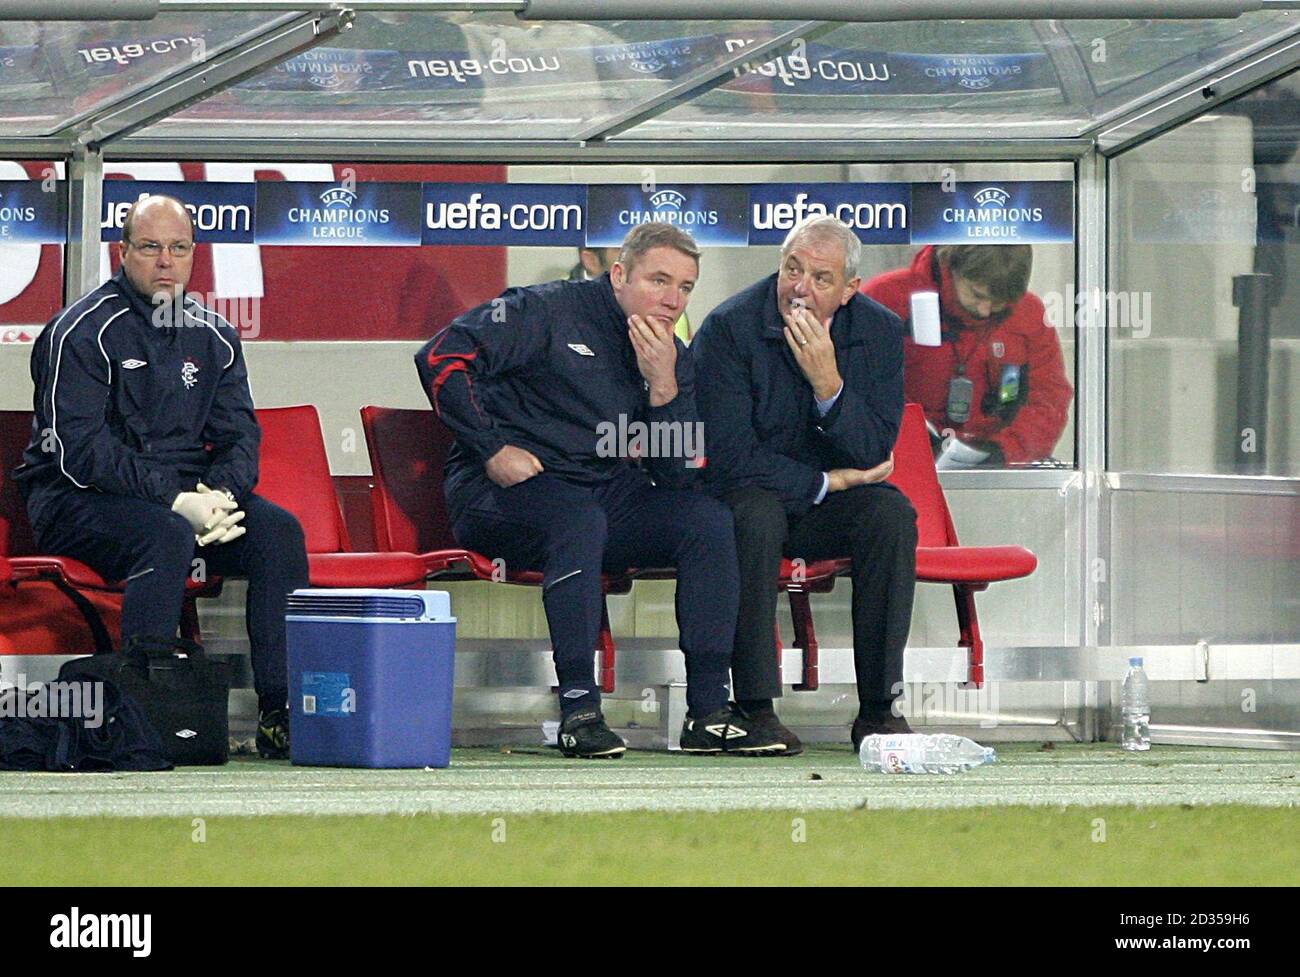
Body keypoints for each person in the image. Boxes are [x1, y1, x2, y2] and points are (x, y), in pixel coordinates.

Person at [415, 222, 783, 757]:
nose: (672, 299)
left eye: (684, 288)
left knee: (705, 519)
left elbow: (678, 475)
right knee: (577, 518)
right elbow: (440, 358)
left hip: (603, 493)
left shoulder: (671, 354)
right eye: (659, 281)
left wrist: (663, 386)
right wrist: (491, 448)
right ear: (618, 274)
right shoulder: (543, 309)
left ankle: (708, 711)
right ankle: (579, 711)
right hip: (501, 491)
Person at [14, 194, 307, 759]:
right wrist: (176, 502)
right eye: (150, 248)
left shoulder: (215, 335)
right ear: (122, 253)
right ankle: (144, 717)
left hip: (187, 497)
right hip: (76, 500)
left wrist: (221, 496)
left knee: (278, 533)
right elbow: (80, 452)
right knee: (165, 533)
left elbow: (240, 436)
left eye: (178, 248)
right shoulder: (80, 331)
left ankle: (281, 711)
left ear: (195, 255)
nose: (165, 262)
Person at [693, 215, 918, 753]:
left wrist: (829, 384)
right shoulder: (729, 327)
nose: (800, 288)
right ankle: (755, 706)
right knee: (754, 515)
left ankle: (879, 708)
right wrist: (827, 479)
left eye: (821, 278)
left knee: (890, 515)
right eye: (792, 269)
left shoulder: (880, 331)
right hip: (754, 494)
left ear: (849, 290)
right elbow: (729, 458)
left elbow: (873, 451)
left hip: (824, 506)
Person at [861, 244, 1072, 467]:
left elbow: (1048, 399)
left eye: (999, 302)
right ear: (951, 267)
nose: (985, 310)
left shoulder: (1028, 313)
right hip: (900, 462)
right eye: (977, 294)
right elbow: (853, 387)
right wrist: (911, 438)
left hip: (997, 466)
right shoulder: (885, 298)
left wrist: (1002, 451)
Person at [571, 245, 692, 343]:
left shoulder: (669, 307)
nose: (641, 258)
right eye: (623, 250)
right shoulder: (560, 305)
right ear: (590, 261)